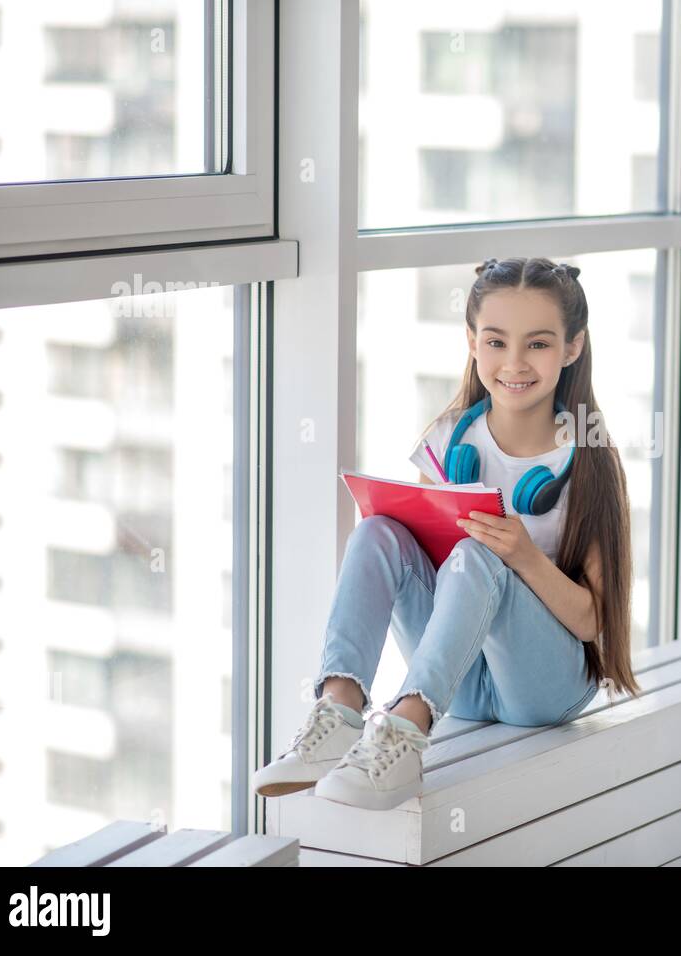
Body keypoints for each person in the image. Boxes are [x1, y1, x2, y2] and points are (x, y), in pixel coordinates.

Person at [253, 256, 639, 811]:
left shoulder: (591, 458)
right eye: (496, 341)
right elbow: (414, 562)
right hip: (461, 685)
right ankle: (337, 712)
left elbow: (592, 620)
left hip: (544, 688)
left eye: (538, 344)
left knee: (478, 556)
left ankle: (405, 737)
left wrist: (525, 557)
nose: (514, 362)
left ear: (572, 347)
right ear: (472, 341)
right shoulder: (447, 439)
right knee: (377, 532)